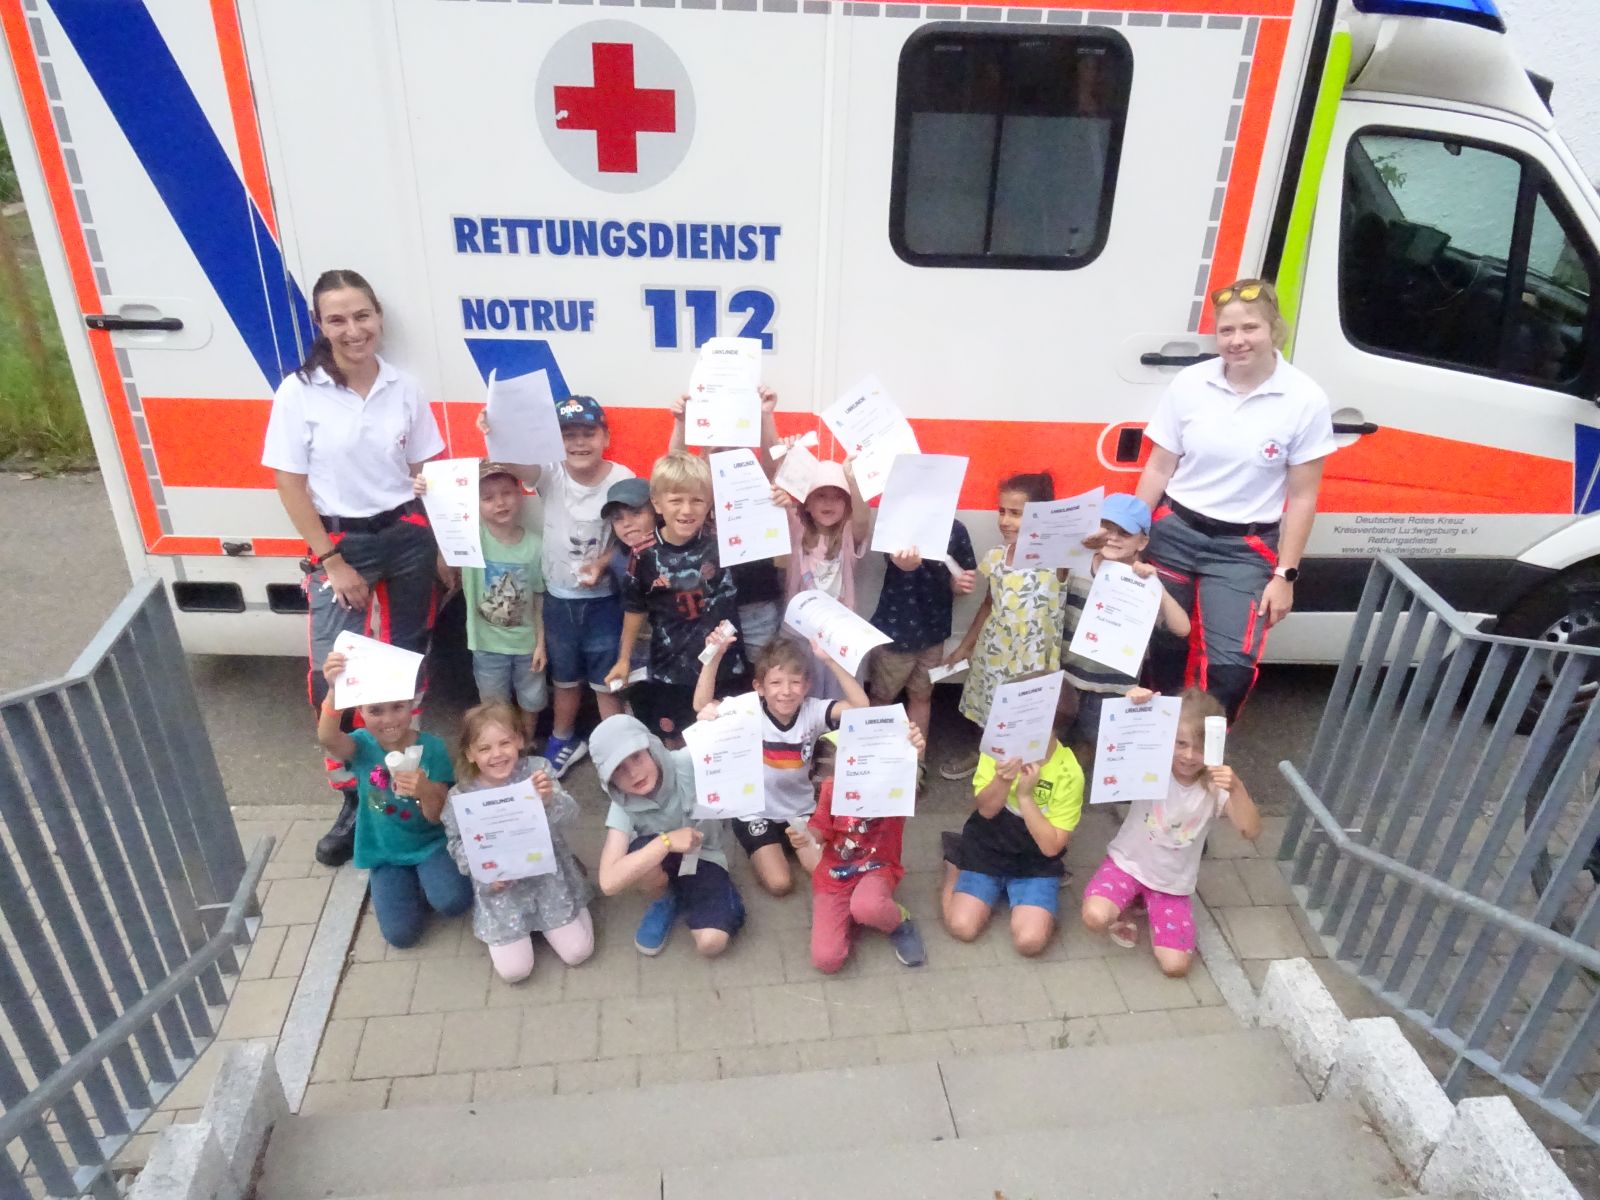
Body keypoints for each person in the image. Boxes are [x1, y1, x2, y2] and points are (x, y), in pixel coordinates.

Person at [262, 269, 447, 867]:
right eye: (337, 319)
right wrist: (331, 560)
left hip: (407, 536)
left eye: (362, 316)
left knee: (404, 662)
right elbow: (289, 484)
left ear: (379, 317)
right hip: (341, 542)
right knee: (335, 673)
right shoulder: (299, 392)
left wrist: (442, 546)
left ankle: (402, 781)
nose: (353, 330)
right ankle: (351, 796)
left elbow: (426, 470)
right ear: (320, 325)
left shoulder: (403, 386)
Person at [1135, 279, 1337, 719]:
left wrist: (1285, 576)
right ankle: (1159, 746)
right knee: (1164, 648)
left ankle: (1202, 752)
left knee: (1230, 671)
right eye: (1226, 331)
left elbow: (1302, 498)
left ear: (1274, 329)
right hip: (1174, 533)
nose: (1237, 340)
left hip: (1243, 549)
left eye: (1250, 328)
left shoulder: (1304, 399)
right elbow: (1159, 467)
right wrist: (1132, 532)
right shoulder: (1191, 383)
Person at [481, 394, 632, 776]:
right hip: (558, 600)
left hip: (605, 602)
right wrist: (494, 432)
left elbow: (632, 536)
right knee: (565, 680)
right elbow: (510, 463)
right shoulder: (550, 473)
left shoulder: (622, 479)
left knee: (607, 683)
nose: (579, 443)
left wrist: (602, 564)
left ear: (606, 437)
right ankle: (563, 739)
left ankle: (618, 750)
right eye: (569, 435)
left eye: (588, 433)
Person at [1082, 687, 1261, 977]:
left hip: (1171, 884)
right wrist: (1135, 704)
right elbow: (1118, 739)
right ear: (1166, 737)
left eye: (1200, 748)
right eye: (1181, 743)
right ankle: (1129, 903)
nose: (1189, 756)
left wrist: (1237, 788)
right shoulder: (1153, 761)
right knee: (1095, 916)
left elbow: (1250, 830)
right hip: (1127, 865)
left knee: (1175, 966)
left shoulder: (1215, 784)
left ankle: (1145, 904)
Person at [693, 631, 869, 896]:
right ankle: (766, 845)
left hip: (800, 809)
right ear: (759, 687)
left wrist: (831, 661)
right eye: (775, 682)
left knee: (824, 872)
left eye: (795, 682)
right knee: (780, 884)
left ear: (807, 686)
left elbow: (860, 706)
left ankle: (788, 843)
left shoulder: (812, 711)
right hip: (755, 811)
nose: (786, 691)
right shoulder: (747, 710)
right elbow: (701, 705)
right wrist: (714, 658)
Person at [315, 650, 471, 947]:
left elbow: (437, 816)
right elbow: (327, 737)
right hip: (384, 851)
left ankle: (423, 884)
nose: (388, 720)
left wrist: (425, 789)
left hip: (430, 844)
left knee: (455, 902)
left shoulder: (432, 748)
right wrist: (334, 691)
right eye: (375, 711)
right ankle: (406, 886)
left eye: (397, 707)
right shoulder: (361, 745)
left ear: (412, 705)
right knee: (401, 936)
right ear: (360, 711)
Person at [442, 703, 593, 982]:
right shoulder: (461, 796)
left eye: (505, 743)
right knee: (515, 972)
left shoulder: (538, 771)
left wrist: (550, 799)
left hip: (549, 881)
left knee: (578, 953)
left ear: (520, 740)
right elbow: (455, 842)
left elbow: (571, 814)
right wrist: (483, 873)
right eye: (484, 748)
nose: (497, 754)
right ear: (470, 754)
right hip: (503, 893)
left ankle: (575, 893)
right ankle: (528, 928)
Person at [938, 472, 1069, 781]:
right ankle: (983, 756)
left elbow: (1088, 543)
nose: (1005, 521)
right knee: (990, 706)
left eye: (1016, 513)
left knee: (1026, 712)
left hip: (1032, 659)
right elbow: (989, 604)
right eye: (1002, 511)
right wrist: (965, 647)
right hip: (995, 652)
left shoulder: (1057, 558)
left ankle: (1024, 769)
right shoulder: (996, 557)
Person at [607, 452, 745, 745]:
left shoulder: (726, 542)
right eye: (676, 500)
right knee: (674, 740)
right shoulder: (644, 554)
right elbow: (635, 608)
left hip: (725, 666)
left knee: (724, 738)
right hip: (671, 670)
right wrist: (624, 659)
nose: (686, 509)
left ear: (710, 503)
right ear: (657, 504)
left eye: (697, 500)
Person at [941, 681, 1083, 957]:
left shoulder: (1069, 771)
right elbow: (985, 810)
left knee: (1030, 942)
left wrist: (1026, 798)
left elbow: (1051, 847)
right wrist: (1003, 780)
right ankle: (954, 866)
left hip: (1035, 860)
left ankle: (1030, 894)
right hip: (988, 846)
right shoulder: (998, 748)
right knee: (961, 927)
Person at [591, 713, 745, 958]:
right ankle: (664, 899)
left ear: (651, 748)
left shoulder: (686, 762)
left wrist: (718, 713)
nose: (634, 773)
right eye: (618, 769)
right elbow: (608, 882)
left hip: (704, 856)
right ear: (609, 780)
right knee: (638, 854)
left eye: (637, 757)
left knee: (711, 944)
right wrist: (666, 842)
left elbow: (738, 735)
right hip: (662, 860)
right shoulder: (622, 804)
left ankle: (710, 900)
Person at [416, 463, 546, 740]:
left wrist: (541, 645)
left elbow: (538, 599)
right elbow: (445, 524)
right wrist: (427, 493)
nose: (500, 503)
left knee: (532, 700)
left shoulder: (535, 546)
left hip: (526, 645)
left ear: (519, 494)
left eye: (506, 493)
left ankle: (525, 744)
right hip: (487, 646)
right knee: (493, 704)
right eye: (487, 497)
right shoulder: (470, 538)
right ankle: (502, 745)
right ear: (474, 504)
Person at [1060, 494, 1191, 757]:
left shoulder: (1144, 583)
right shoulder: (1076, 566)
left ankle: (1085, 765)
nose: (1112, 537)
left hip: (1112, 688)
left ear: (1142, 542)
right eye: (1106, 527)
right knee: (1057, 740)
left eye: (1124, 533)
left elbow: (1182, 628)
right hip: (1066, 677)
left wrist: (1156, 587)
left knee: (1097, 746)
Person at [669, 389, 787, 657]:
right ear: (702, 459)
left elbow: (773, 465)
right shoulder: (696, 497)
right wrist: (682, 422)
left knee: (759, 672)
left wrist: (765, 416)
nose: (726, 457)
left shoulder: (756, 486)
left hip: (755, 602)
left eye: (735, 450)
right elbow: (676, 469)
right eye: (717, 451)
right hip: (707, 605)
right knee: (712, 673)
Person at [802, 730, 927, 974]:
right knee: (826, 959)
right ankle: (852, 912)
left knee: (867, 907)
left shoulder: (891, 790)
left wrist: (913, 752)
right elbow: (820, 828)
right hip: (835, 876)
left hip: (876, 868)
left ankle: (899, 922)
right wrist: (805, 836)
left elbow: (909, 790)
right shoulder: (831, 788)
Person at [865, 520, 978, 747]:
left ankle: (918, 759)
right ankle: (875, 757)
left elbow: (959, 582)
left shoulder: (956, 529)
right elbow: (890, 557)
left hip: (934, 633)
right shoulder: (898, 522)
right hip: (895, 634)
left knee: (922, 697)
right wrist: (902, 562)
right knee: (882, 697)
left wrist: (961, 585)